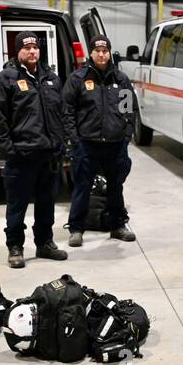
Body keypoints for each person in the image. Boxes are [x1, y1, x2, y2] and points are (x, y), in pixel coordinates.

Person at [0, 32, 68, 268]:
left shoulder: (51, 78)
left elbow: (60, 114)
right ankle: (15, 247)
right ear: (17, 51)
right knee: (17, 206)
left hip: (49, 156)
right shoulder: (5, 80)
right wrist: (10, 150)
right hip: (21, 157)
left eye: (35, 47)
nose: (32, 51)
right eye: (27, 47)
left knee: (46, 204)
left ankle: (44, 243)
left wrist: (60, 143)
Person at [61, 34, 140, 246]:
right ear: (91, 53)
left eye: (105, 51)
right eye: (98, 51)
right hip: (86, 144)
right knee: (82, 187)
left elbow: (129, 109)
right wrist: (75, 140)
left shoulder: (120, 79)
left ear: (109, 53)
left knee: (116, 187)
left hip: (115, 145)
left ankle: (118, 225)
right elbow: (67, 111)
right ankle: (76, 229)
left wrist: (126, 136)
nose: (102, 55)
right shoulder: (78, 79)